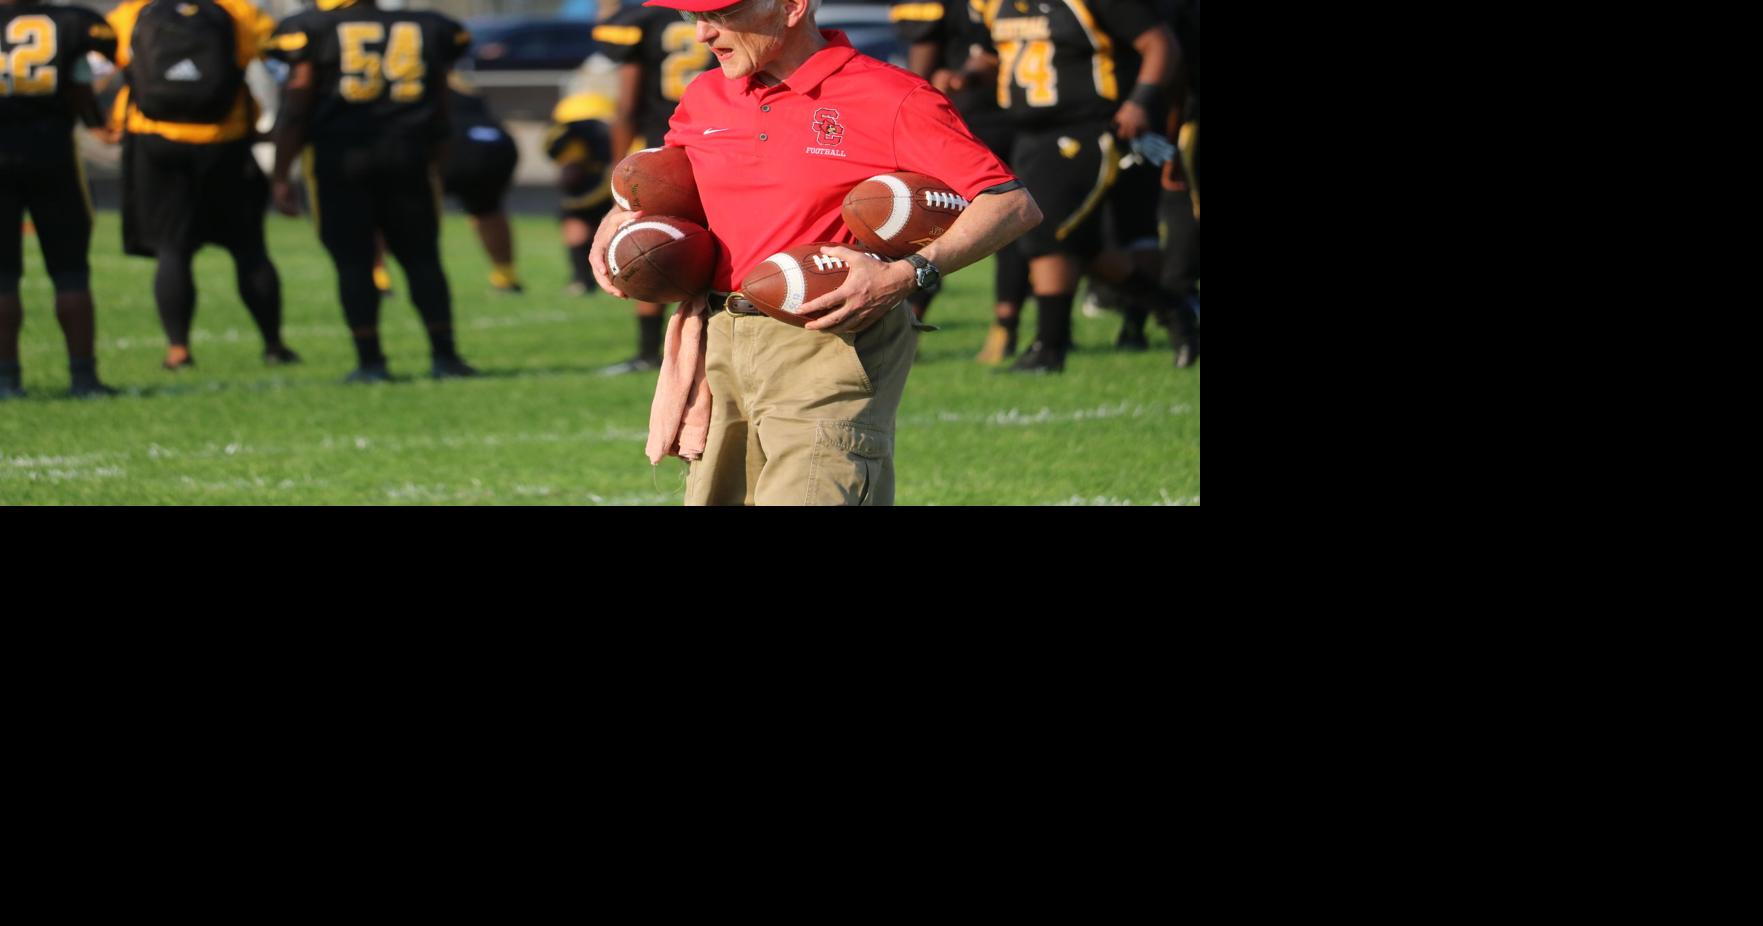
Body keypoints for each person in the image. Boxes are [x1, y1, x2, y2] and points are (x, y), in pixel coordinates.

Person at [591, 0, 1041, 506]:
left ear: (790, 7)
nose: (702, 36)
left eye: (722, 15)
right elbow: (673, 188)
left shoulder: (891, 95)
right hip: (718, 341)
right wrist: (620, 218)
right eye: (693, 18)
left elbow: (1010, 204)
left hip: (828, 341)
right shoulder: (705, 93)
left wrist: (905, 274)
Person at [973, 0, 1197, 371]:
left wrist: (1140, 102)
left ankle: (1050, 345)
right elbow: (997, 55)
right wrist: (964, 76)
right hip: (1030, 133)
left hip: (1086, 126)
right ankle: (1174, 309)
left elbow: (1160, 44)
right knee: (1083, 245)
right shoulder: (996, 5)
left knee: (1046, 231)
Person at [267, 0, 477, 382]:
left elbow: (297, 104)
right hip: (408, 153)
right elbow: (442, 102)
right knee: (422, 259)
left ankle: (370, 361)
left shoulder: (314, 28)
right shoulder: (427, 26)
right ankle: (445, 356)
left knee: (353, 262)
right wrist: (440, 160)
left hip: (340, 158)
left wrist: (281, 172)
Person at [107, 0, 299, 372]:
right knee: (249, 248)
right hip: (226, 142)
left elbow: (99, 65)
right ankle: (274, 344)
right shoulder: (237, 11)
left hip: (155, 142)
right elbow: (283, 54)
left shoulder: (133, 13)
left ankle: (178, 349)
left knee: (172, 248)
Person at [889, 0, 1030, 362]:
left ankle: (916, 325)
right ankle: (1004, 326)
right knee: (993, 219)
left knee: (930, 222)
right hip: (1000, 111)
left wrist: (919, 93)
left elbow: (925, 46)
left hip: (972, 116)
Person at [1, 0, 118, 398]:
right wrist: (99, 126)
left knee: (1, 279)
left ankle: (6, 380)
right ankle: (83, 377)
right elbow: (82, 91)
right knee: (70, 273)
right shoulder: (68, 22)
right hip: (53, 156)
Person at [590, 0, 712, 374]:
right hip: (718, 135)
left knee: (651, 242)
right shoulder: (723, 14)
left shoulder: (643, 19)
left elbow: (626, 104)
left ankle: (647, 350)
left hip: (660, 145)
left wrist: (619, 166)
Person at [440, 71, 523, 294]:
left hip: (455, 142)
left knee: (390, 204)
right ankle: (506, 276)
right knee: (488, 210)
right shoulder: (458, 78)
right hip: (497, 142)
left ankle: (379, 279)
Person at [543, 90, 615, 297]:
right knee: (577, 227)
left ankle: (583, 279)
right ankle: (582, 278)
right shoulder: (570, 142)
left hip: (606, 185)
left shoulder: (573, 140)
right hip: (594, 186)